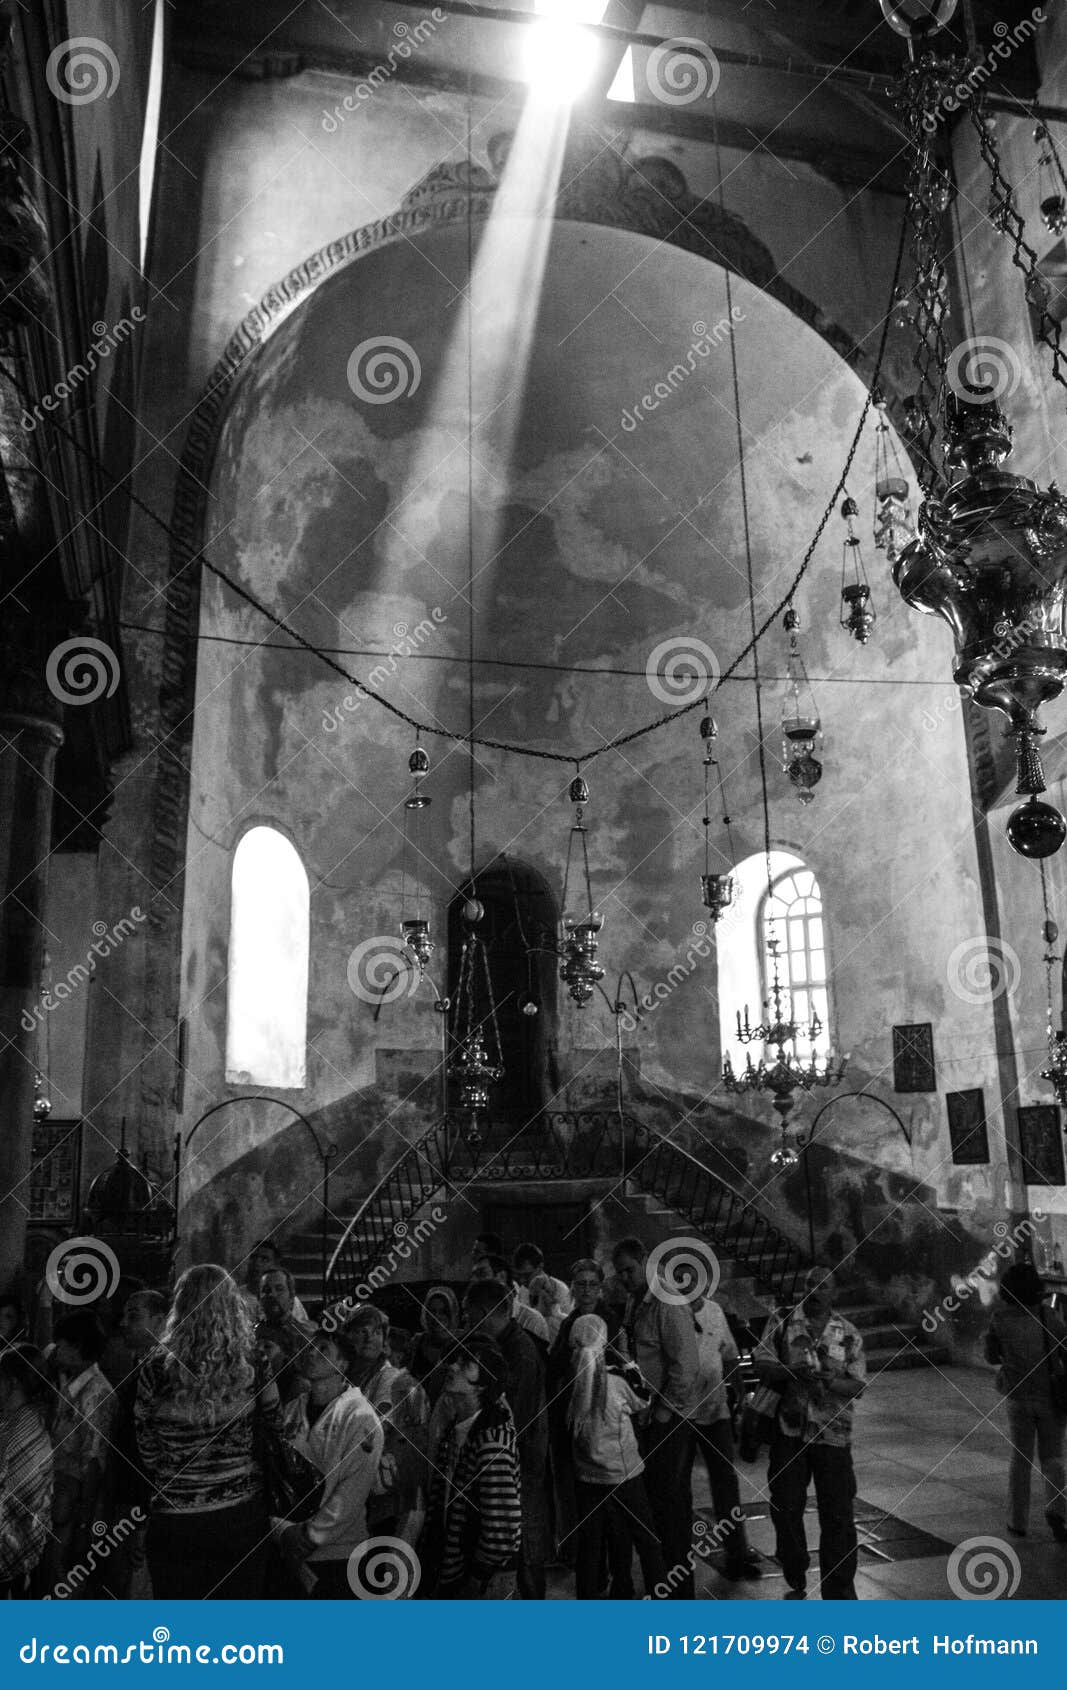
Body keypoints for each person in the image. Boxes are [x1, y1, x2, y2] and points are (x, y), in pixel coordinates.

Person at [135, 1263, 277, 1598]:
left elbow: (146, 1445)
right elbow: (274, 1427)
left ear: (180, 1305)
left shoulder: (155, 1367)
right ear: (232, 1307)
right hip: (239, 1516)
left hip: (176, 1519)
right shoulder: (254, 1362)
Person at [755, 1266, 866, 1600]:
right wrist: (790, 1371)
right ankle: (794, 1566)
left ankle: (839, 1586)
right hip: (790, 1432)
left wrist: (830, 1381)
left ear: (834, 1293)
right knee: (786, 1506)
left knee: (838, 1514)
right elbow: (760, 1363)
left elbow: (858, 1386)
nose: (814, 1291)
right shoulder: (784, 1321)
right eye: (809, 1285)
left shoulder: (848, 1333)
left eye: (822, 1286)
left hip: (833, 1435)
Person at [612, 1236, 699, 1598]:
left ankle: (680, 1598)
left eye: (629, 1270)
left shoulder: (667, 1300)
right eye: (619, 1274)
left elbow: (685, 1365)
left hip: (670, 1422)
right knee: (656, 1509)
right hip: (647, 1419)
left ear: (646, 1260)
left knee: (671, 1510)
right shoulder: (636, 1301)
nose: (624, 1278)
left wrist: (662, 1413)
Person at [276, 1325, 384, 1598]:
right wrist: (281, 1529)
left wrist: (309, 1536)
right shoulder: (291, 1410)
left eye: (323, 1349)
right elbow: (276, 1473)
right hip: (289, 1547)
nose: (311, 1353)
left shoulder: (360, 1417)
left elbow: (352, 1491)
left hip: (340, 1556)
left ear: (342, 1364)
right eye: (310, 1347)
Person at [566, 1314, 666, 1599]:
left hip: (587, 1477)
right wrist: (626, 1359)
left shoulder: (570, 1377)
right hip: (624, 1475)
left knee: (591, 1547)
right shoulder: (616, 1379)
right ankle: (661, 1595)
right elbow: (643, 1397)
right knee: (647, 1540)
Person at [464, 1276, 549, 1598]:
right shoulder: (506, 1344)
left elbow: (516, 1416)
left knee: (522, 1550)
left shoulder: (520, 1354)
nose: (468, 1323)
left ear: (485, 1311)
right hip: (514, 1464)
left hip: (521, 1468)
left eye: (470, 1315)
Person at [426, 1336, 522, 1598]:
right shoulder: (456, 1429)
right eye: (455, 1361)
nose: (453, 1367)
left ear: (483, 1385)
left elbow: (502, 1529)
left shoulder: (491, 1442)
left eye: (466, 1364)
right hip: (458, 1567)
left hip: (483, 1577)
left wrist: (478, 1576)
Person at [985, 1259, 1067, 1542]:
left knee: (1020, 1458)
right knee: (1053, 1457)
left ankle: (1017, 1521)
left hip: (1018, 1397)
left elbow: (991, 1356)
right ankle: (1058, 1511)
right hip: (1051, 1397)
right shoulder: (1048, 1317)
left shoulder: (1000, 1320)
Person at [689, 1289, 760, 1581]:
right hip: (681, 1412)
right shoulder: (668, 1313)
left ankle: (737, 1550)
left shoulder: (714, 1311)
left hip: (715, 1409)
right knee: (678, 1484)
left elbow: (729, 1356)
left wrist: (742, 1394)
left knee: (725, 1480)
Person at [45, 1310, 115, 1590]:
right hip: (59, 1495)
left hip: (73, 1501)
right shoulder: (70, 1385)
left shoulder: (96, 1393)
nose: (56, 1351)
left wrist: (85, 1522)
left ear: (77, 1347)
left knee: (62, 1580)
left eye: (61, 1345)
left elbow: (95, 1462)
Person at [0, 1345, 53, 1597]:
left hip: (13, 1549)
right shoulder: (17, 1421)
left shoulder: (24, 1428)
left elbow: (15, 1499)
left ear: (11, 1383)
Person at [256, 1267, 314, 1403]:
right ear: (259, 1298)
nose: (272, 1295)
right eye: (266, 1290)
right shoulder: (250, 1334)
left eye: (279, 1289)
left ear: (292, 1296)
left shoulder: (306, 1334)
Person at [471, 1254, 550, 1346]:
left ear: (502, 1276)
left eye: (481, 1274)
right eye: (473, 1275)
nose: (473, 1280)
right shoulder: (473, 1315)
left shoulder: (531, 1319)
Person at [342, 1304, 399, 1418]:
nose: (369, 1339)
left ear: (384, 1341)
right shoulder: (343, 1370)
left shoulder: (389, 1376)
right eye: (363, 1331)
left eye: (377, 1333)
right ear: (349, 1337)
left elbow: (378, 1424)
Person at [243, 1241, 311, 1324]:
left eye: (264, 1259)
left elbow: (302, 1329)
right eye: (253, 1257)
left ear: (275, 1265)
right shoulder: (236, 1297)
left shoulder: (288, 1300)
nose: (257, 1263)